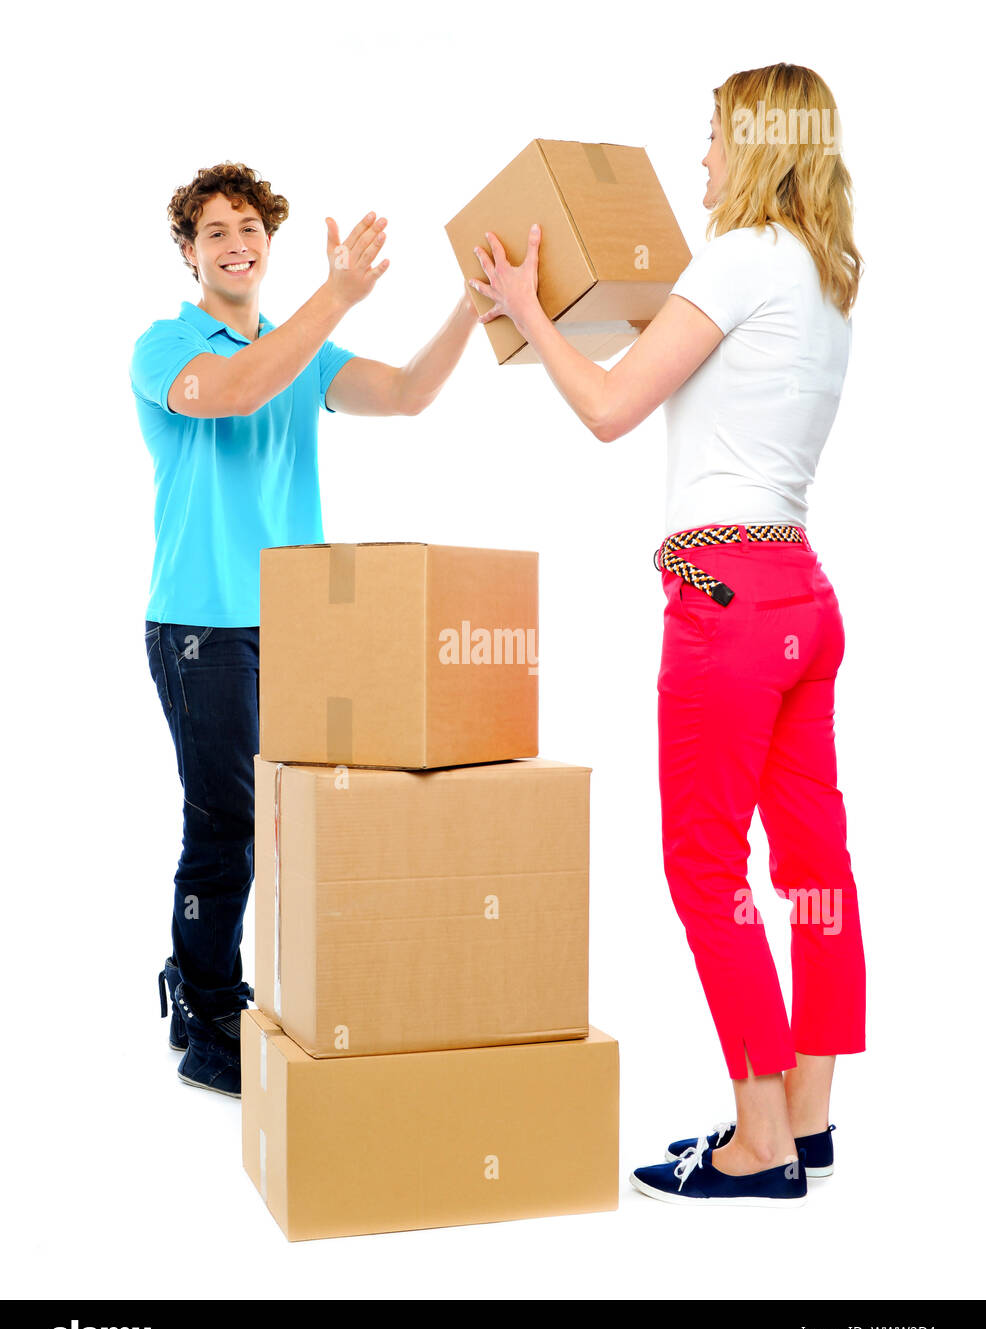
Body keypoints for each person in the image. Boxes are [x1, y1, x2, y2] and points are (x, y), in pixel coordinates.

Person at [468, 63, 865, 1206]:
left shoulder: (738, 259)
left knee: (703, 866)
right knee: (813, 867)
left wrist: (528, 307)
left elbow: (605, 410)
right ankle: (807, 1111)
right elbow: (711, 378)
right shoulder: (827, 276)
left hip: (723, 604)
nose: (697, 159)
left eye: (709, 138)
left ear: (752, 141)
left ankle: (754, 1142)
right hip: (800, 596)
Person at [131, 162, 478, 1098]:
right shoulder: (165, 349)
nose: (235, 242)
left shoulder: (302, 350)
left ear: (269, 239)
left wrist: (471, 309)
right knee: (226, 819)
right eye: (214, 231)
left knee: (283, 818)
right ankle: (205, 1003)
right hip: (201, 627)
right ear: (189, 252)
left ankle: (215, 988)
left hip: (296, 623)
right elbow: (237, 390)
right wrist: (339, 294)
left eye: (249, 226)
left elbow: (407, 393)